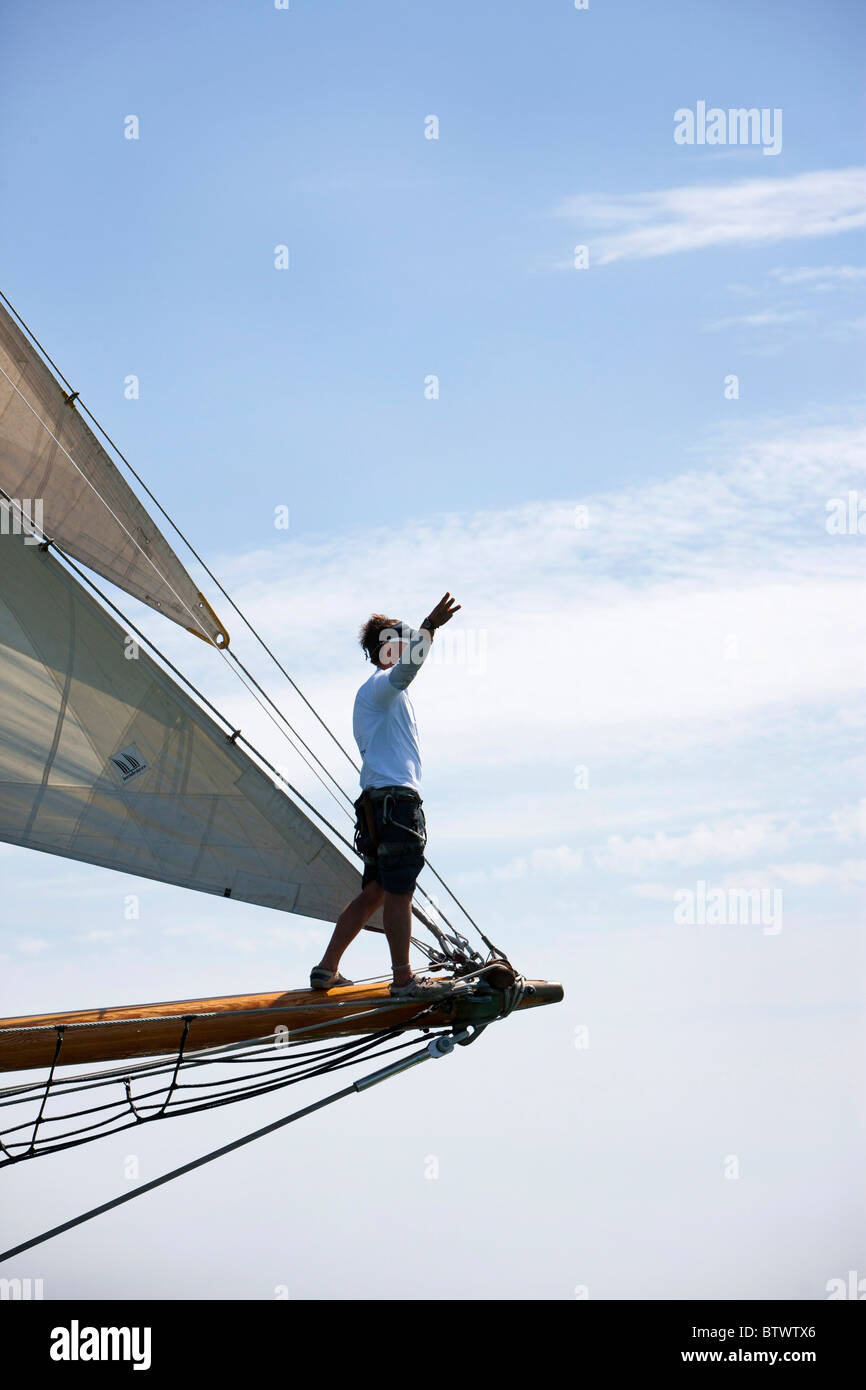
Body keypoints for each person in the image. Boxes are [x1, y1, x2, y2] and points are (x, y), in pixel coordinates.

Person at [310, 593, 461, 999]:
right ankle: (403, 979)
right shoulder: (382, 685)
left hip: (378, 805)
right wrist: (430, 625)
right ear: (386, 648)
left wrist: (421, 631)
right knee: (399, 892)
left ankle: (327, 969)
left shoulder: (382, 694)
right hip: (395, 805)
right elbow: (408, 668)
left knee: (375, 891)